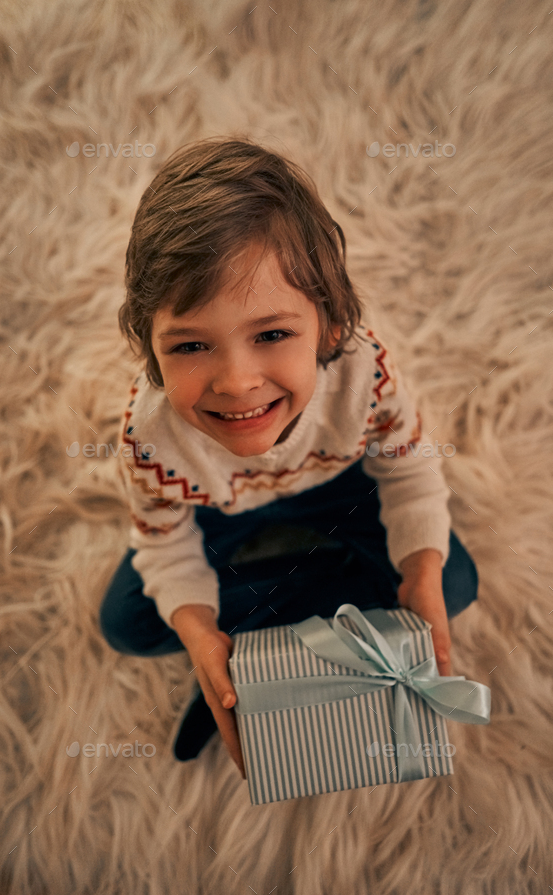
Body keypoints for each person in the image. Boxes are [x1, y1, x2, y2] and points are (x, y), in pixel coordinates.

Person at [99, 136, 479, 780]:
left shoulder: (366, 371)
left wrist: (419, 567)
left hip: (340, 479)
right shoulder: (152, 437)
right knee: (129, 622)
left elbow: (409, 470)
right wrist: (202, 638)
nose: (237, 382)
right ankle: (279, 638)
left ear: (330, 325)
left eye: (272, 335)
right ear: (149, 347)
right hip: (218, 502)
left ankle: (271, 640)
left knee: (452, 581)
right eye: (191, 346)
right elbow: (163, 545)